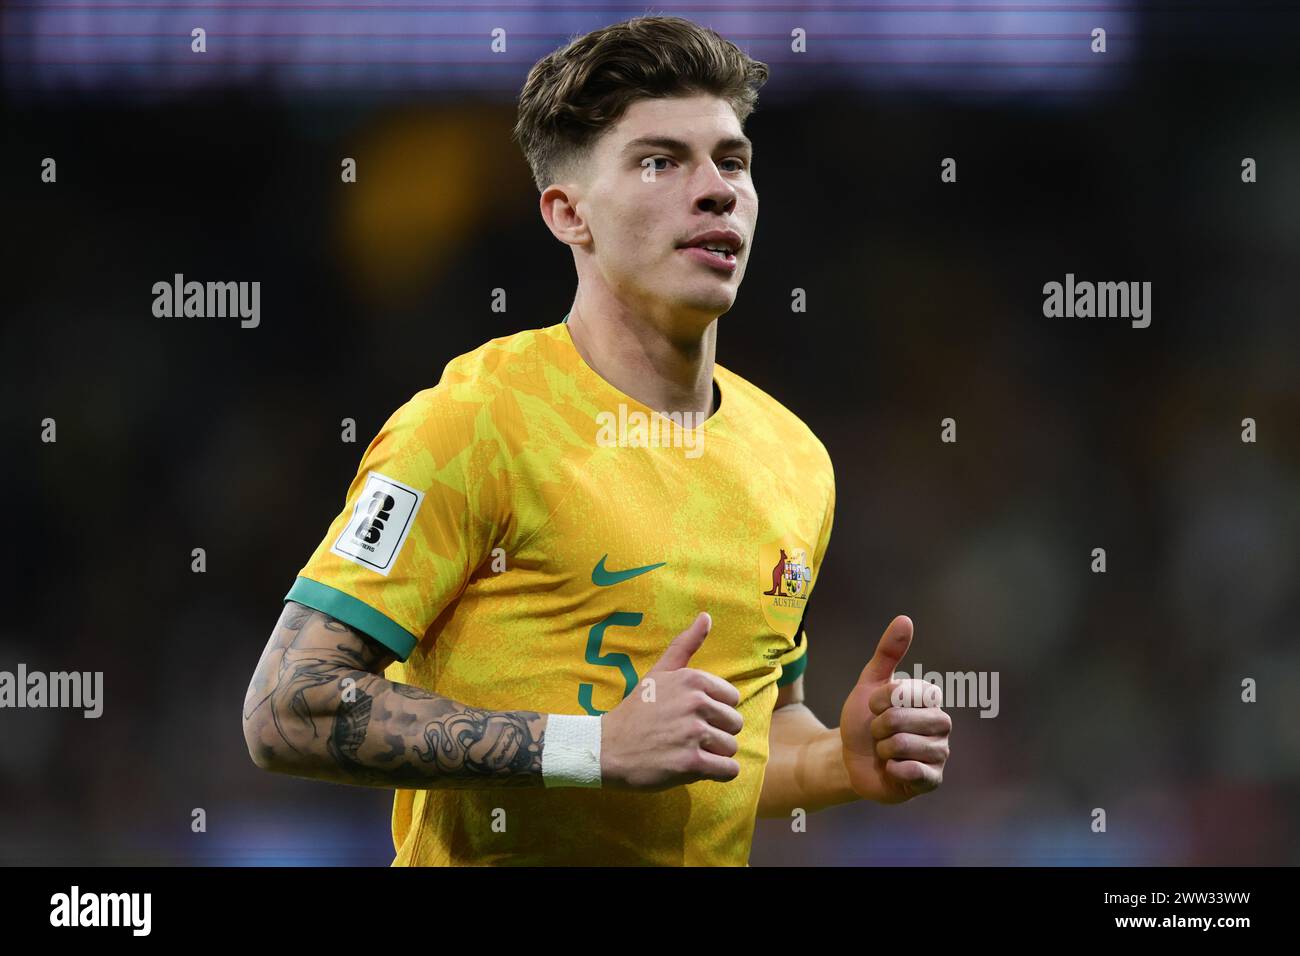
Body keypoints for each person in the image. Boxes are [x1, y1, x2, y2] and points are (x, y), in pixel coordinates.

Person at [242, 14, 950, 866]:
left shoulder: (793, 457)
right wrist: (591, 748)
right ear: (567, 213)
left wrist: (840, 759)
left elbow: (741, 742)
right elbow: (287, 708)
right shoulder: (472, 423)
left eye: (732, 160)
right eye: (661, 161)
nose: (717, 188)